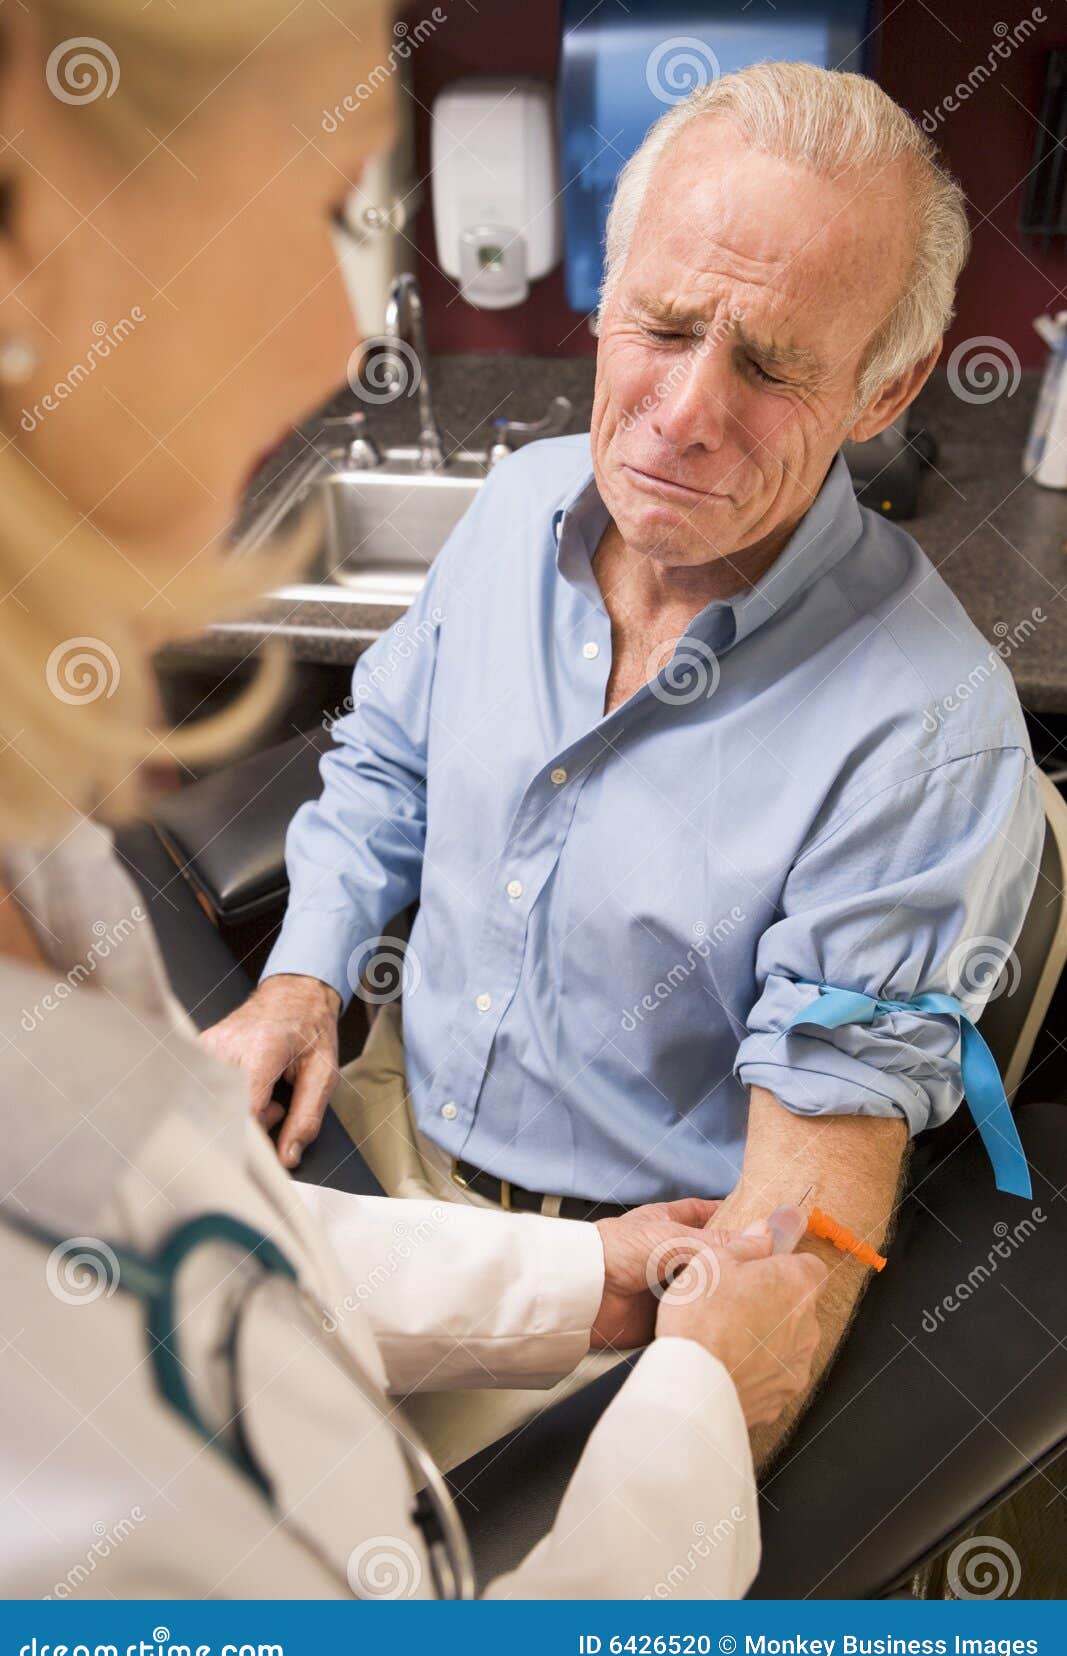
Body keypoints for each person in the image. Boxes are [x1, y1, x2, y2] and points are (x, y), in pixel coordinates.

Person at [0, 0, 825, 1600]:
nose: (333, 333)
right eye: (324, 205)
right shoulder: (517, 511)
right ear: (23, 219)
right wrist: (696, 1420)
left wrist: (582, 1279)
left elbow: (188, 1245)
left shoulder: (38, 872)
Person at [205, 60, 1045, 1467]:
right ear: (607, 294)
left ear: (884, 387)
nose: (682, 412)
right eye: (660, 324)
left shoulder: (923, 734)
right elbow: (390, 766)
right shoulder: (524, 497)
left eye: (771, 364)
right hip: (363, 1149)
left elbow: (801, 1227)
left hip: (629, 1285)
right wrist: (304, 974)